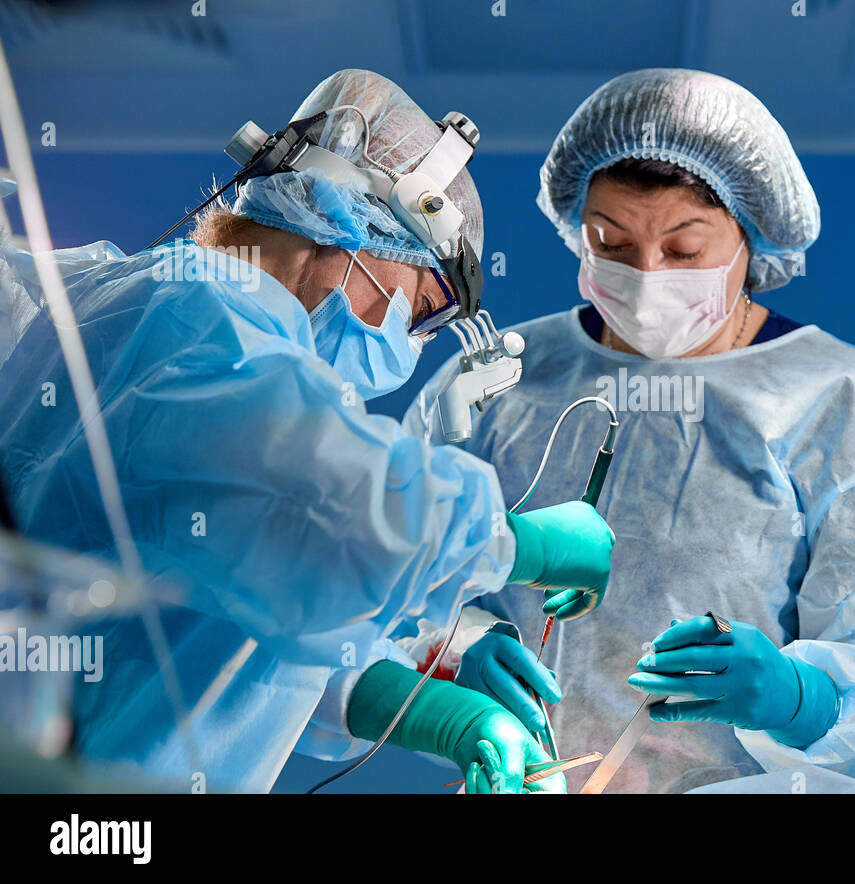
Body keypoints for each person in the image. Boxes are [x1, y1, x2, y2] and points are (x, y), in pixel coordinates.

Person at [0, 69, 612, 793]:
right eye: (415, 308)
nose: (403, 344)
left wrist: (438, 711)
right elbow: (348, 509)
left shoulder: (101, 298)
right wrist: (525, 543)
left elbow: (235, 620)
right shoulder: (202, 329)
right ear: (354, 225)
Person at [403, 68, 855, 793]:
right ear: (574, 231)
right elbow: (385, 580)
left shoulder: (849, 404)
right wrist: (458, 647)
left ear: (752, 237)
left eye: (684, 251)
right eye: (610, 243)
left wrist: (799, 696)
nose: (648, 275)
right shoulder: (497, 383)